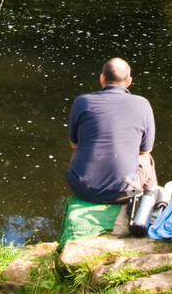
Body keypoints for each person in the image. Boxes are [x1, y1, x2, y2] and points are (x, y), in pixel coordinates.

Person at [66, 57, 158, 204]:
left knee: (79, 149)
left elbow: (74, 144)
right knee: (147, 159)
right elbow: (145, 151)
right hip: (125, 193)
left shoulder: (82, 102)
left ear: (102, 79)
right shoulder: (143, 104)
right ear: (129, 82)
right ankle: (150, 203)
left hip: (82, 189)